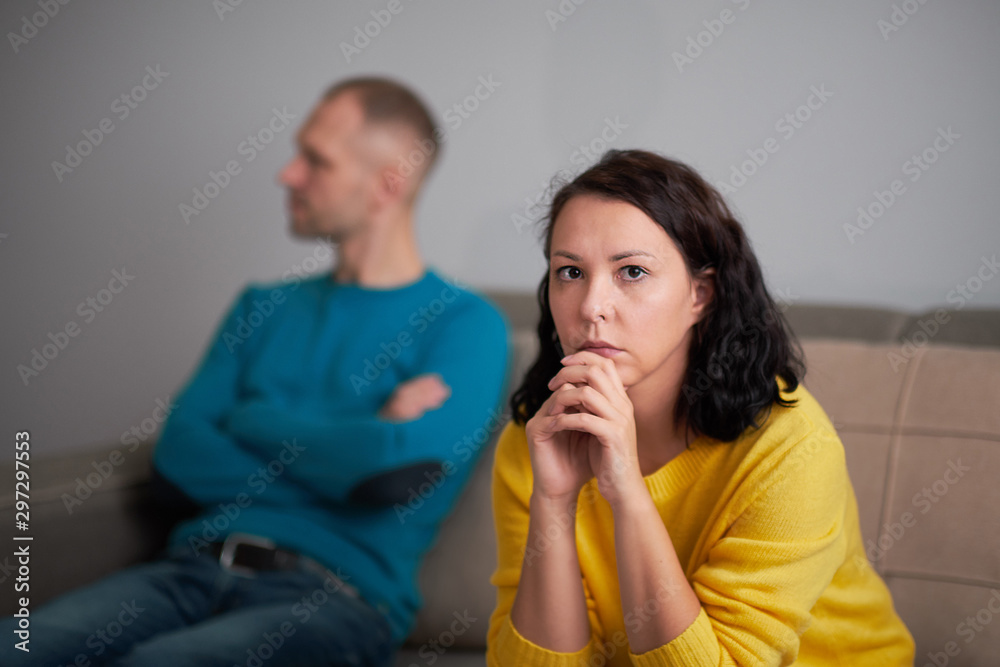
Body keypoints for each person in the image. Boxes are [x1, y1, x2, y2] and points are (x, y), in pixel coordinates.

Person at [1, 78, 508, 666]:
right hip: (185, 571)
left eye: (315, 161)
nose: (287, 175)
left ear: (385, 185)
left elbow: (394, 477)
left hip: (333, 601)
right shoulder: (262, 306)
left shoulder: (465, 325)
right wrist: (362, 434)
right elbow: (177, 457)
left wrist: (252, 417)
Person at [486, 149, 914, 665]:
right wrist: (553, 501)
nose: (591, 306)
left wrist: (626, 492)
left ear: (700, 295)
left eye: (633, 272)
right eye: (571, 272)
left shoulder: (791, 449)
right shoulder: (540, 437)